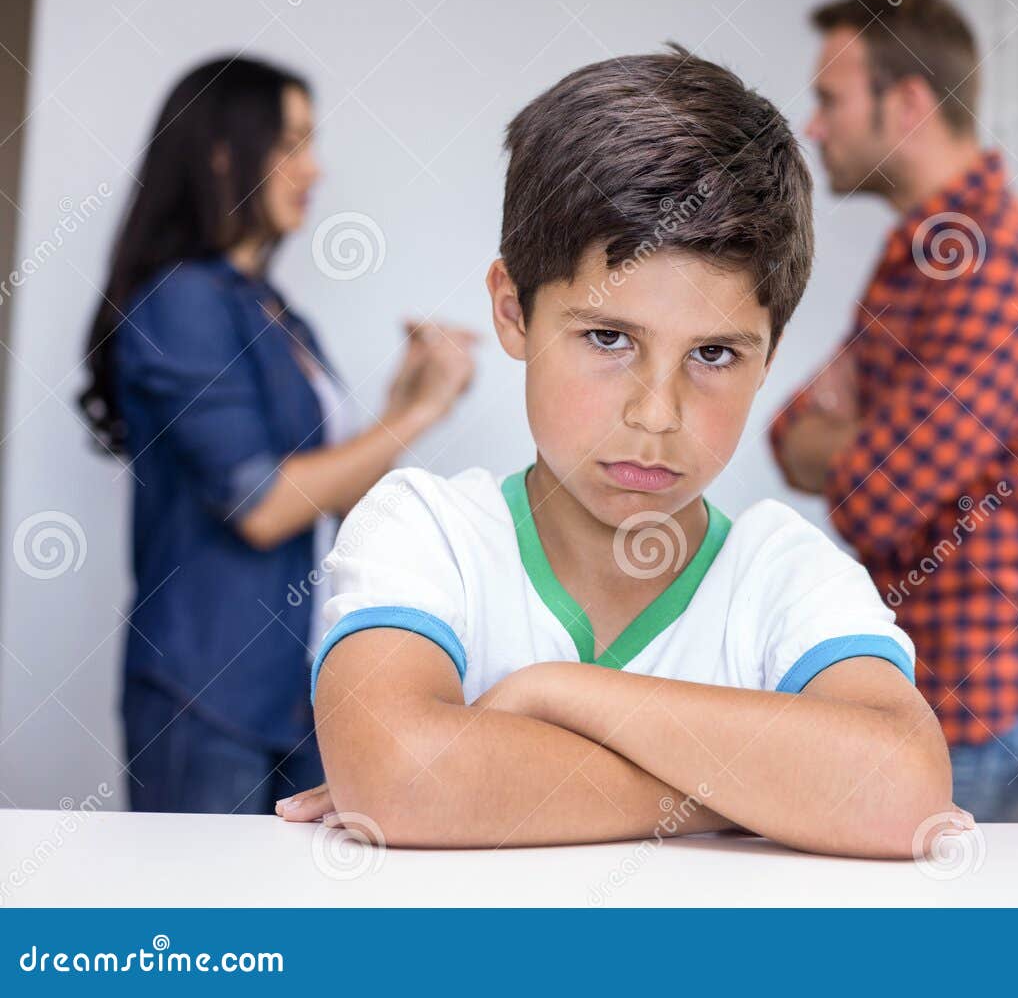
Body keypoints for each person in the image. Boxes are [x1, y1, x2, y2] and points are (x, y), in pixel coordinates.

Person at [276, 47, 960, 856]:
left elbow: (904, 792)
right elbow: (405, 780)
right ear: (513, 311)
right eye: (608, 337)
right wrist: (759, 792)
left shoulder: (786, 572)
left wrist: (550, 696)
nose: (656, 412)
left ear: (769, 357)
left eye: (713, 355)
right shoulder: (425, 531)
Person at [80, 56, 476, 814]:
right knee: (202, 926)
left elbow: (330, 492)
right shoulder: (180, 302)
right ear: (224, 152)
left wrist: (409, 393)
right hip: (207, 692)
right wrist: (416, 414)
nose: (315, 169)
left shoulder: (274, 312)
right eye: (291, 144)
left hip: (293, 695)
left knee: (293, 922)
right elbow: (263, 505)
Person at [769, 0, 1018, 820]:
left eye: (829, 99)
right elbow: (785, 430)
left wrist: (844, 446)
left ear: (908, 103)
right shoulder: (920, 256)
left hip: (981, 713)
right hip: (934, 700)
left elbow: (874, 497)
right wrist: (850, 442)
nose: (813, 125)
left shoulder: (997, 266)